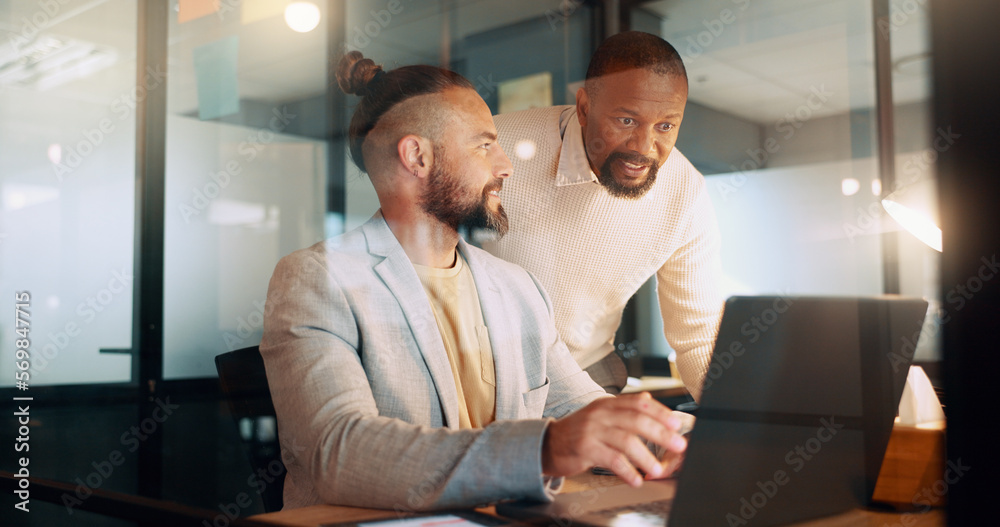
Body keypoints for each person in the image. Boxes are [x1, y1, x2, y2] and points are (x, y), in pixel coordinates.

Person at [259, 51, 689, 511]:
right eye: (484, 146)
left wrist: (681, 439)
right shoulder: (317, 279)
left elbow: (582, 409)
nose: (505, 166)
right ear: (418, 157)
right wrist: (545, 449)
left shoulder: (518, 288)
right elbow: (340, 454)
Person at [485, 31, 724, 399]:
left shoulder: (685, 192)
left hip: (585, 366)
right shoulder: (496, 148)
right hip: (482, 366)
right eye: (626, 121)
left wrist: (736, 419)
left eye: (665, 126)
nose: (644, 148)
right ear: (584, 108)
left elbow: (699, 336)